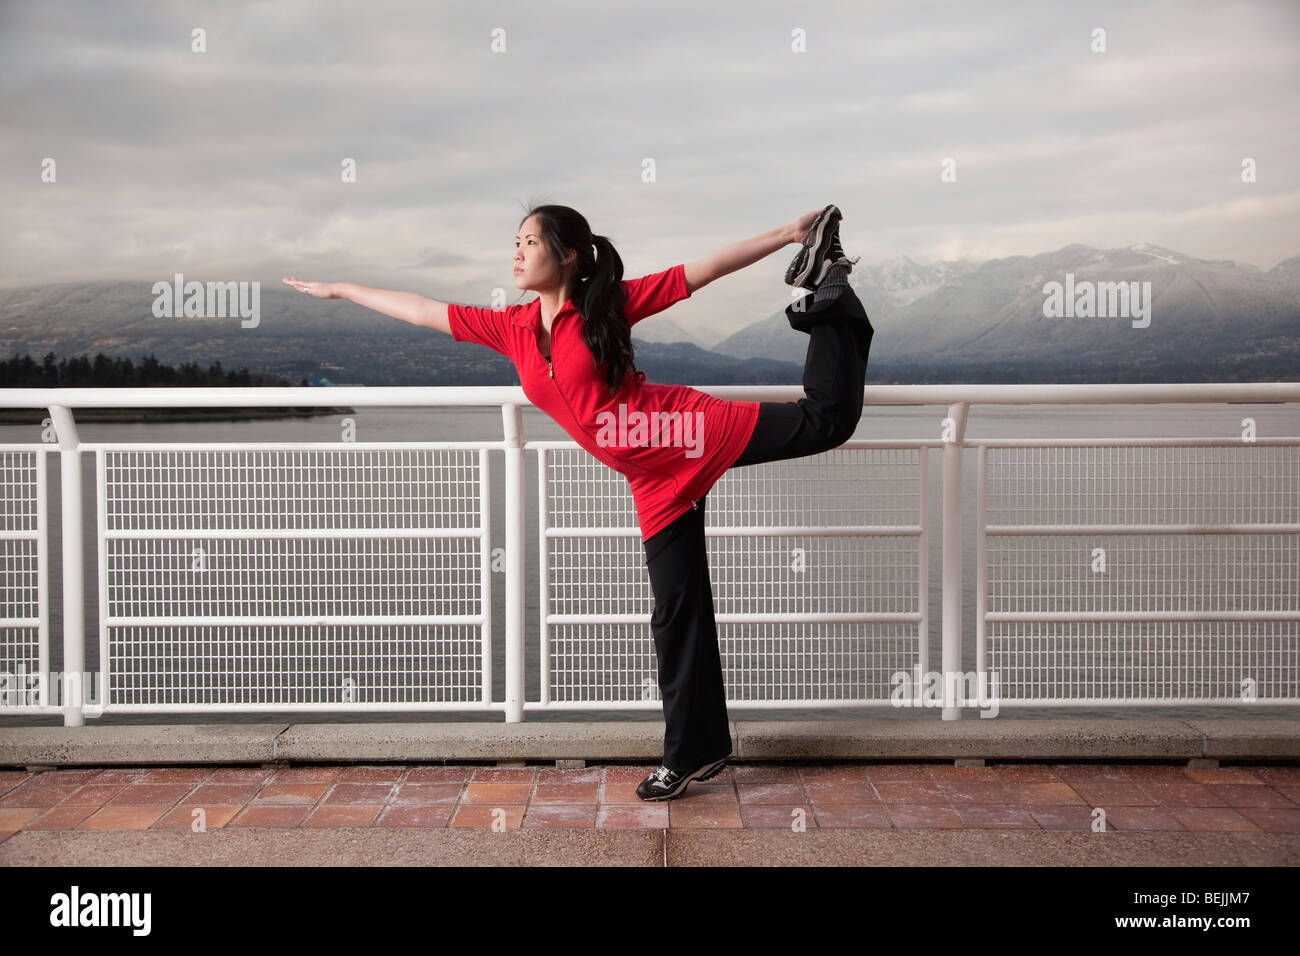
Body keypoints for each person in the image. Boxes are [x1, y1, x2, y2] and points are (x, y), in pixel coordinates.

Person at [282, 202, 872, 801]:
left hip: (678, 433)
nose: (515, 252)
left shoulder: (606, 305)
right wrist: (342, 288)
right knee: (676, 609)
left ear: (566, 254)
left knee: (825, 420)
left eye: (529, 241)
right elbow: (423, 309)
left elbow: (700, 271)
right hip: (649, 480)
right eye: (514, 241)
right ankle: (696, 749)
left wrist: (786, 235)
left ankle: (828, 287)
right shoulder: (510, 328)